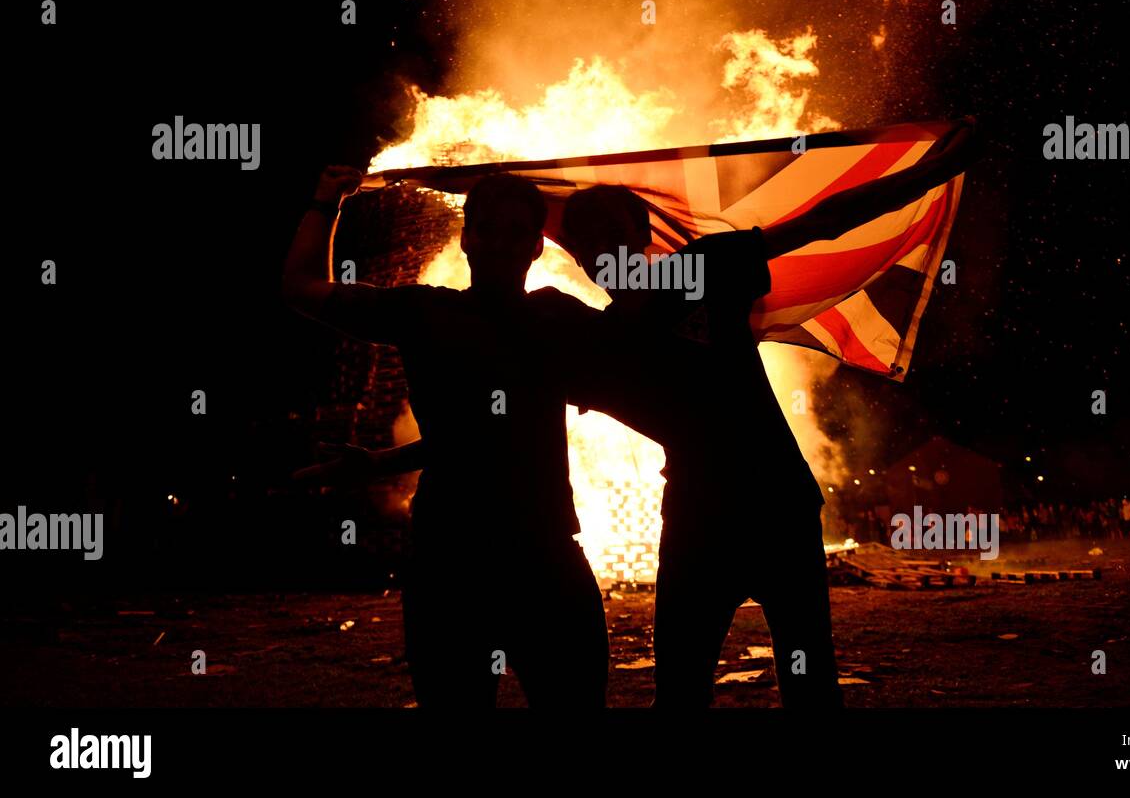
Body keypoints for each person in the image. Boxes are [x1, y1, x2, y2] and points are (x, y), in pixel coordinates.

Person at [558, 120, 976, 708]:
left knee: (809, 688)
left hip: (778, 505)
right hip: (698, 519)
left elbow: (821, 222)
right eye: (590, 241)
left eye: (615, 233)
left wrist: (929, 173)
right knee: (679, 690)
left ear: (643, 235)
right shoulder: (600, 346)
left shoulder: (703, 266)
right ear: (576, 257)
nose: (605, 249)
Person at [282, 168, 608, 707]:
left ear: (534, 246)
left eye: (515, 232)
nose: (499, 244)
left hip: (542, 559)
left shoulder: (555, 317)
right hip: (453, 566)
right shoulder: (425, 312)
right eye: (487, 229)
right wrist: (325, 200)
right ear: (466, 237)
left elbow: (648, 330)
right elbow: (299, 288)